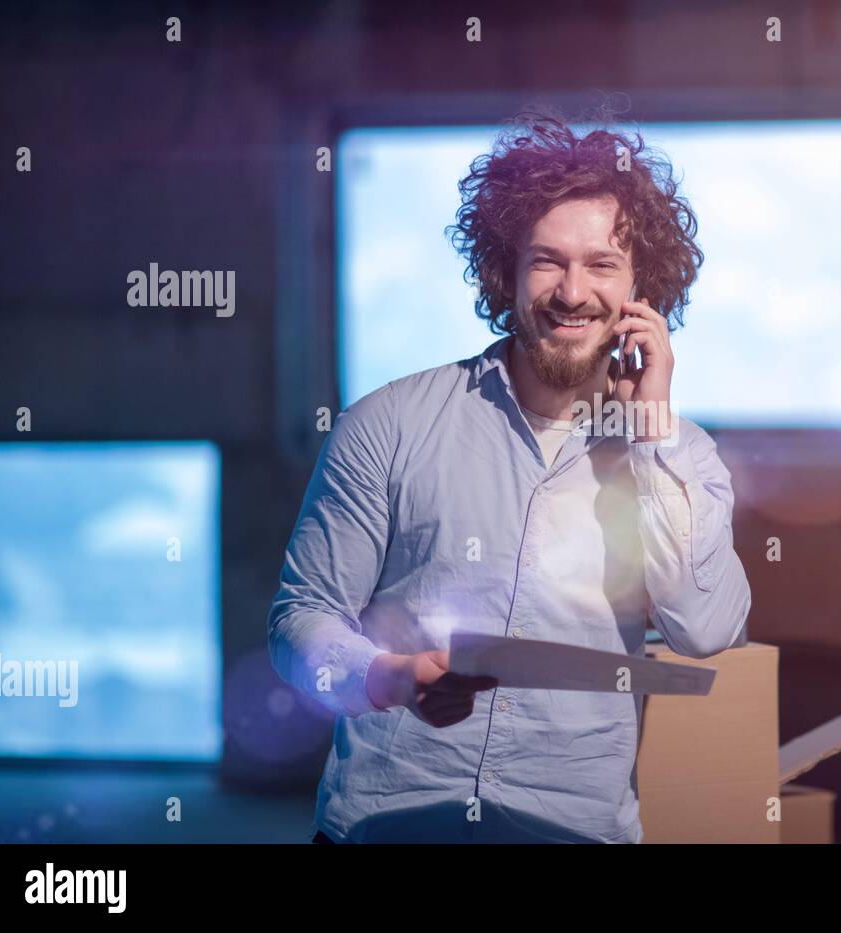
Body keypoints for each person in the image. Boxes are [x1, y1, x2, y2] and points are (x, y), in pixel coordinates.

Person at [268, 110, 751, 843]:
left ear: (642, 290)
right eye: (547, 260)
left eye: (602, 264)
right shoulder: (388, 423)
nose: (572, 291)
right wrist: (385, 674)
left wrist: (651, 428)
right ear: (507, 270)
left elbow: (707, 628)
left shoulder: (682, 455)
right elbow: (299, 619)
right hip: (389, 825)